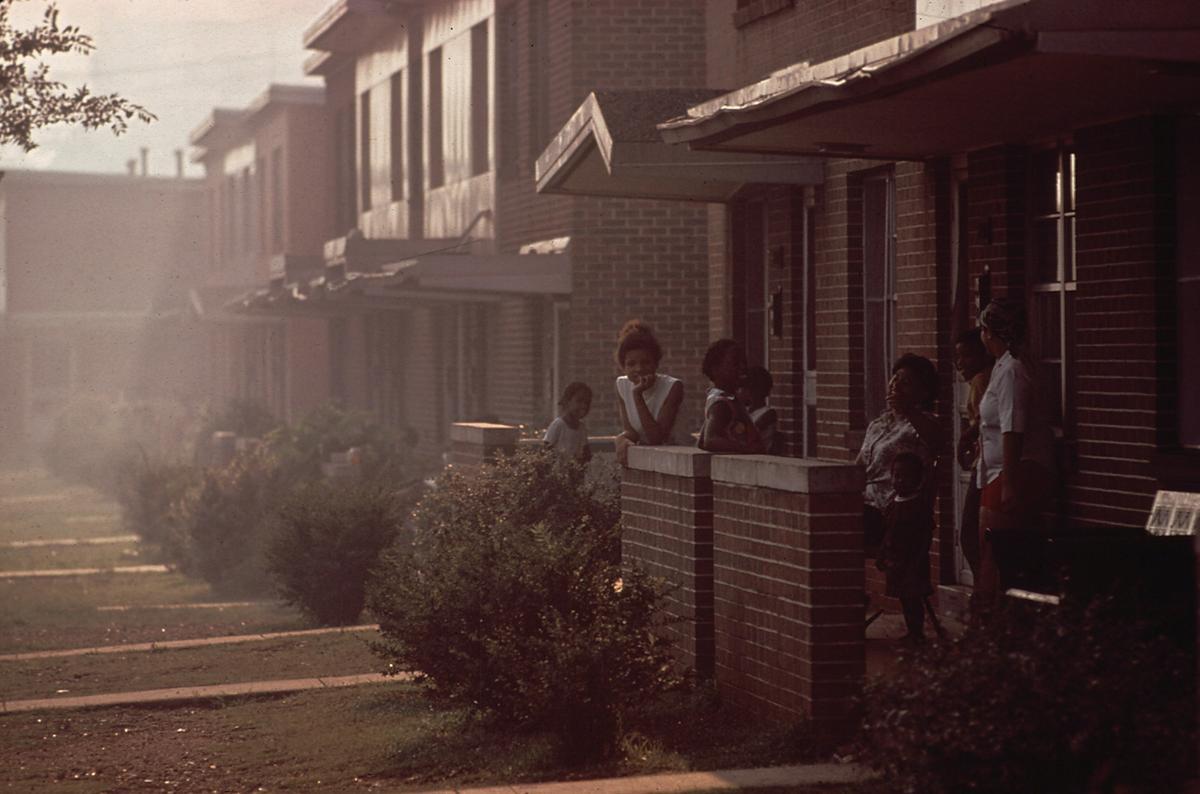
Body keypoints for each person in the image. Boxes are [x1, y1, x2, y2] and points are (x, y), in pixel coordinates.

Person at [975, 298, 1056, 606]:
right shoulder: (1002, 366)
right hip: (996, 470)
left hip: (1019, 470)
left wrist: (1010, 481)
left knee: (994, 549)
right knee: (997, 548)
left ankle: (991, 621)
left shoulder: (1012, 371)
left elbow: (1013, 426)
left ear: (988, 332)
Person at [856, 353, 943, 552]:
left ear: (922, 392)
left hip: (894, 510)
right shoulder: (878, 424)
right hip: (866, 505)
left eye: (906, 383)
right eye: (895, 378)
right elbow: (859, 467)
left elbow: (938, 442)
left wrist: (909, 411)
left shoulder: (924, 424)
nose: (896, 385)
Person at [877, 451, 935, 644]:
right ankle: (911, 630)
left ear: (916, 479)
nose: (898, 480)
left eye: (904, 476)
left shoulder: (918, 505)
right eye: (896, 475)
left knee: (913, 597)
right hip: (896, 560)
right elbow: (887, 533)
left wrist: (920, 557)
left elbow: (925, 533)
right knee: (903, 596)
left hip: (912, 560)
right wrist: (882, 554)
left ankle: (916, 631)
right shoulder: (893, 504)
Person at [953, 328, 994, 577]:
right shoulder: (988, 378)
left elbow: (984, 422)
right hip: (987, 463)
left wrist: (965, 439)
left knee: (969, 534)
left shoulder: (982, 381)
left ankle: (983, 590)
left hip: (987, 465)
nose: (960, 363)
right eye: (958, 357)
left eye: (967, 356)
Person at [613, 320, 684, 465]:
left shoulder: (673, 387)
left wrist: (637, 395)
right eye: (631, 364)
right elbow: (632, 432)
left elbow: (656, 439)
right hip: (649, 461)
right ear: (623, 366)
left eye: (645, 362)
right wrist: (621, 439)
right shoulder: (622, 384)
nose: (639, 369)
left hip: (678, 461)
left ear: (656, 364)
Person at [698, 340, 764, 454]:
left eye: (744, 362)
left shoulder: (729, 399)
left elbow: (701, 441)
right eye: (735, 363)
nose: (742, 367)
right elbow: (710, 440)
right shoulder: (721, 404)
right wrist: (746, 449)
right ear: (716, 370)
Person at [543, 381, 592, 462]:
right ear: (567, 401)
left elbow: (585, 450)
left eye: (586, 403)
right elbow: (546, 448)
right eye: (579, 401)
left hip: (575, 471)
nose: (584, 406)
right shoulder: (558, 425)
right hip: (559, 471)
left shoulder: (582, 428)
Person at [739, 365, 781, 455]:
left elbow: (745, 436)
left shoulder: (768, 414)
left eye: (743, 388)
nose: (740, 392)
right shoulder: (744, 412)